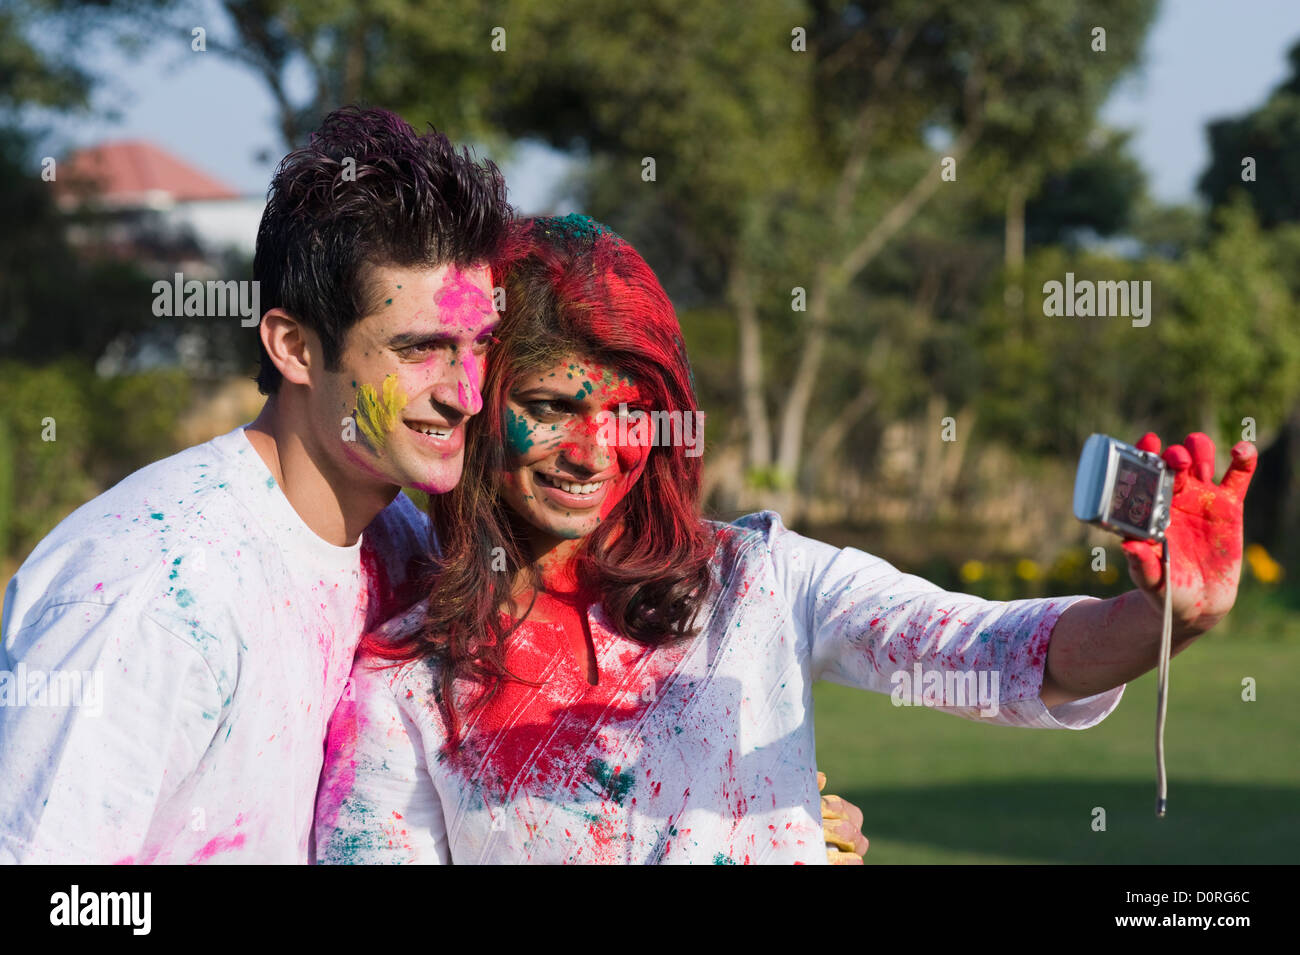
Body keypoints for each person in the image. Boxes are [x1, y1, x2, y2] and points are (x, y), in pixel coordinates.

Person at [314, 214, 1257, 864]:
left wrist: (1170, 615)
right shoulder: (405, 682)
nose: (592, 449)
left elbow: (992, 652)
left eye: (631, 413)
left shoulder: (753, 579)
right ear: (480, 408)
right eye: (551, 407)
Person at [0, 106, 511, 863]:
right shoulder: (152, 592)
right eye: (420, 349)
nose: (466, 392)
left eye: (478, 345)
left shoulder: (411, 550)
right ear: (295, 346)